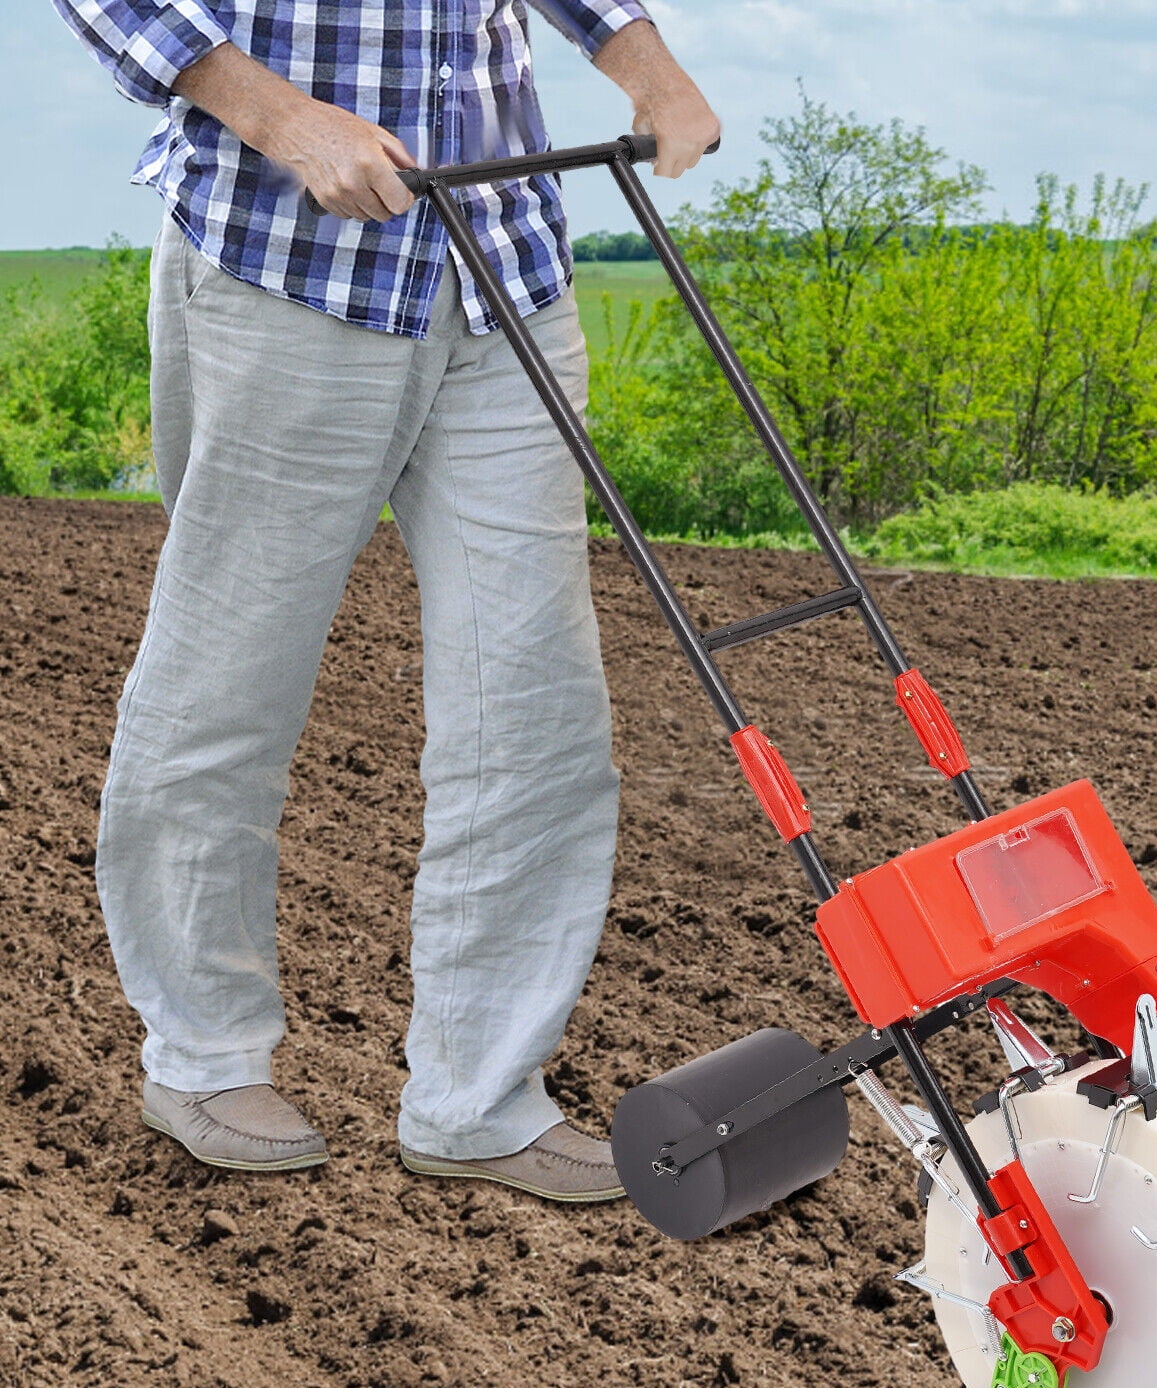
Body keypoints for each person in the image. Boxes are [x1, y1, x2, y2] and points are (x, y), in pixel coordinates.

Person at [51, 0, 719, 1201]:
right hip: (287, 262)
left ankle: (479, 1099)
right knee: (227, 685)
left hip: (499, 261)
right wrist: (285, 120)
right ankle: (204, 1057)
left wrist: (646, 66)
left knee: (535, 708)